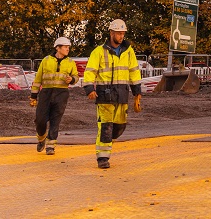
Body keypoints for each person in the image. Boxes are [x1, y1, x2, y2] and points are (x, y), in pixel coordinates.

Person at [83, 19, 142, 169]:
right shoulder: (99, 52)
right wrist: (90, 89)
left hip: (122, 94)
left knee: (120, 126)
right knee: (105, 126)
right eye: (119, 33)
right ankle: (102, 158)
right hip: (104, 95)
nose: (121, 36)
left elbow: (134, 71)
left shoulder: (129, 51)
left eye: (123, 33)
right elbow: (90, 71)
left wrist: (137, 92)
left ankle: (109, 141)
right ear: (111, 33)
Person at [29, 36, 80, 155]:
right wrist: (33, 95)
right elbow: (38, 79)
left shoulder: (70, 63)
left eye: (68, 47)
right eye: (65, 47)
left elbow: (76, 76)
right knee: (40, 120)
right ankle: (41, 138)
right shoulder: (46, 60)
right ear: (58, 48)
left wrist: (72, 79)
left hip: (62, 94)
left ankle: (50, 146)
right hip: (46, 93)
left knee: (55, 120)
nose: (68, 49)